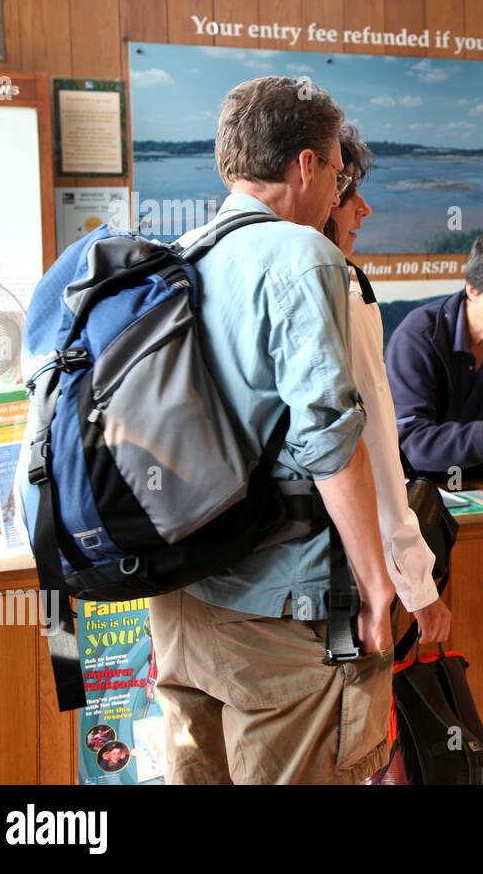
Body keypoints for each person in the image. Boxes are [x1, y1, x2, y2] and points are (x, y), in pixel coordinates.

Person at [148, 76, 397, 785]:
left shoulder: (179, 255)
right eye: (337, 174)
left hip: (182, 599)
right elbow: (327, 440)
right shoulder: (302, 254)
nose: (335, 197)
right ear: (308, 166)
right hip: (275, 611)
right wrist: (379, 584)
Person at [321, 123, 451, 643]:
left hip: (205, 589)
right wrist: (415, 587)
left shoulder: (204, 261)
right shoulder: (339, 289)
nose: (364, 209)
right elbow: (373, 446)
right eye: (348, 191)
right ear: (311, 181)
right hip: (323, 591)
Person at [385, 229, 483, 481]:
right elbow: (411, 444)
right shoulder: (416, 337)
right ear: (472, 290)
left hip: (471, 483)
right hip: (410, 487)